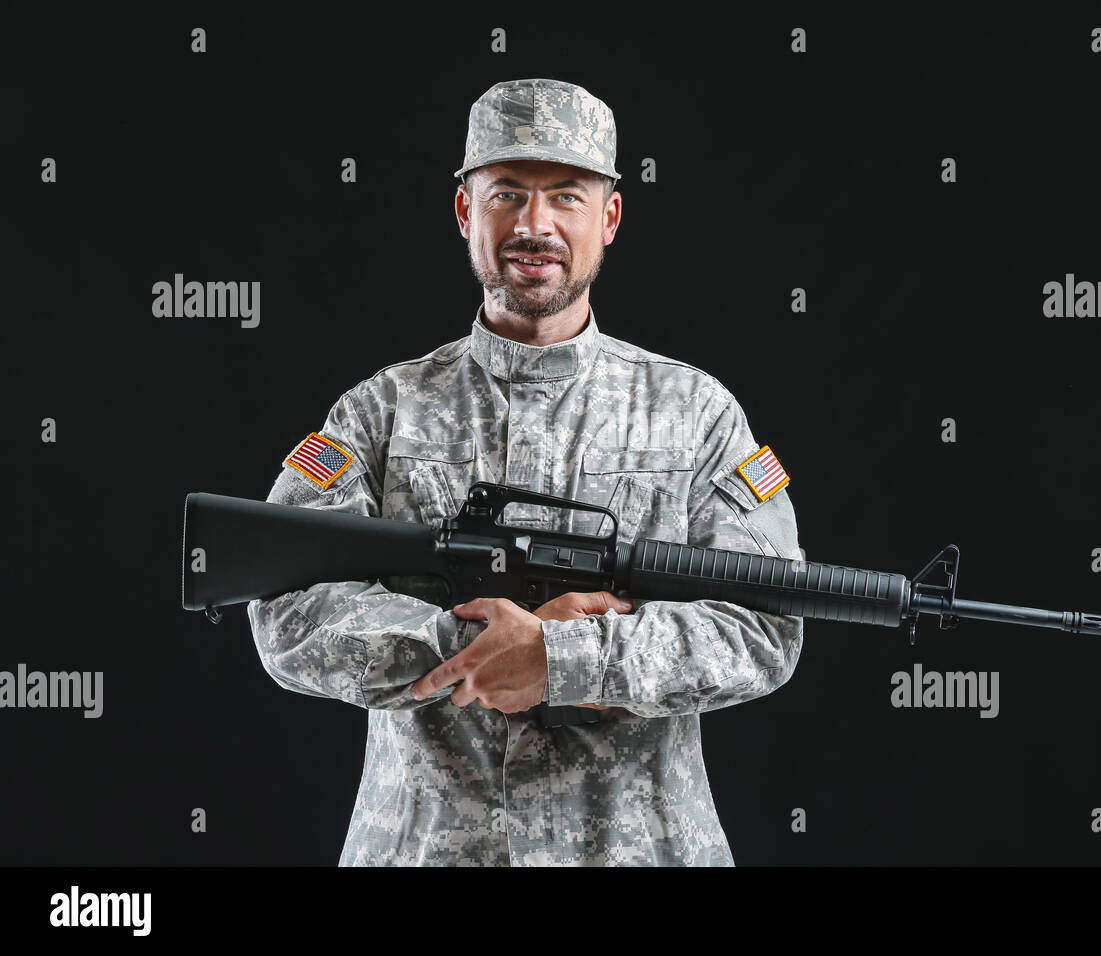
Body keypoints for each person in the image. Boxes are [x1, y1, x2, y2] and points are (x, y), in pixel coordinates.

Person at [247, 78, 804, 865]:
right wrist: (464, 646)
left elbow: (764, 627)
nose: (535, 225)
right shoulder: (379, 411)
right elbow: (285, 610)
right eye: (507, 193)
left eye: (567, 197)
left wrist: (567, 658)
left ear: (608, 219)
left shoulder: (697, 413)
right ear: (464, 211)